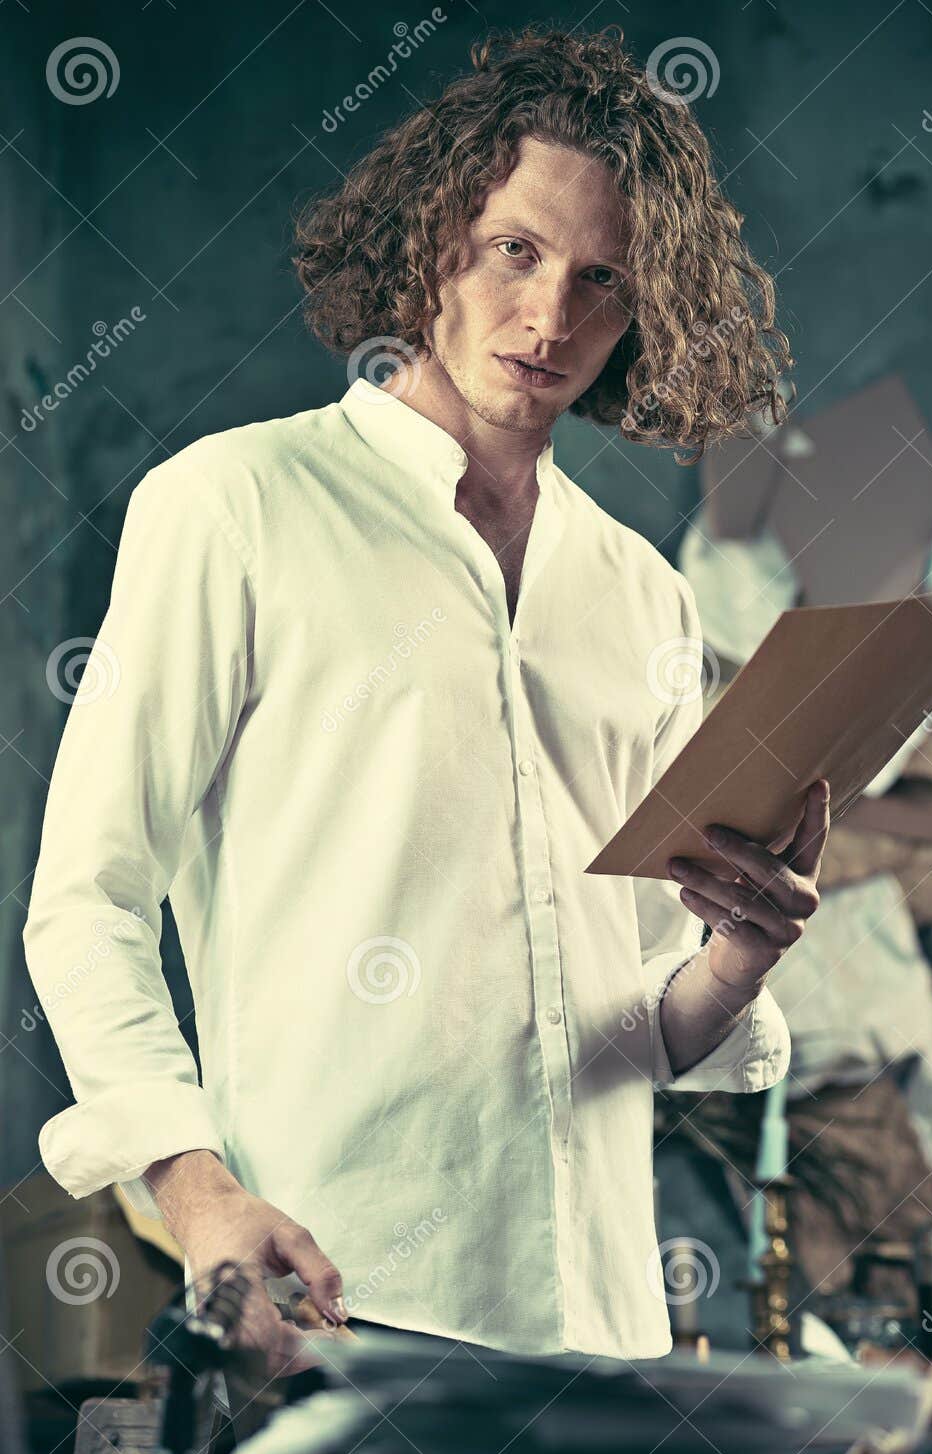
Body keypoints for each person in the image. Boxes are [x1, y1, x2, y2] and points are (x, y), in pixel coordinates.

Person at [23, 26, 828, 1379]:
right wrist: (196, 1190)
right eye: (517, 248)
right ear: (435, 235)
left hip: (604, 1331)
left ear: (644, 311)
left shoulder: (642, 594)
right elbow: (88, 897)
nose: (551, 316)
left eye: (603, 280)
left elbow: (632, 1008)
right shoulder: (233, 507)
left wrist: (737, 961)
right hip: (330, 1304)